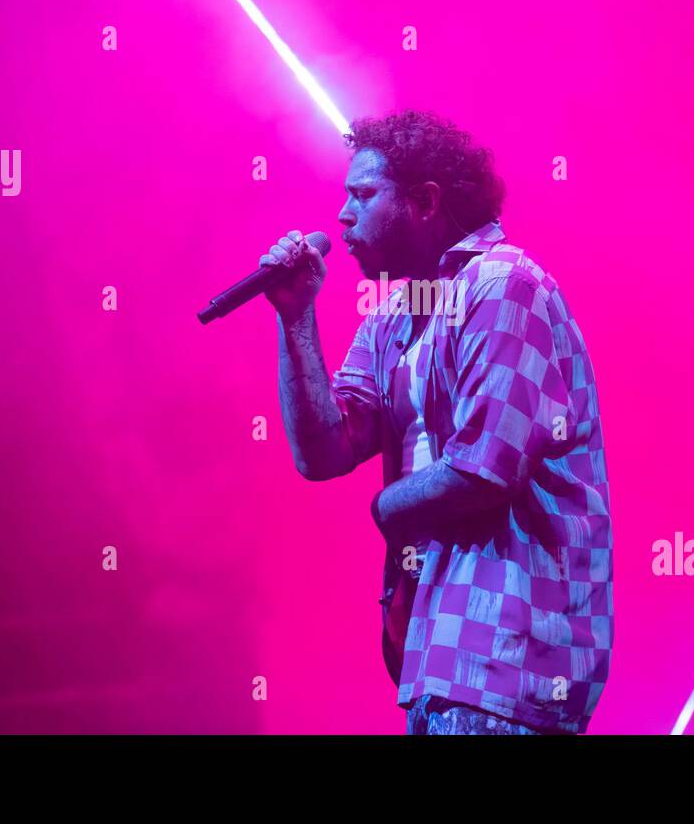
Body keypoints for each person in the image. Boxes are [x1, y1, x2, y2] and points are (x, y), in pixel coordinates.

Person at [260, 108, 612, 735]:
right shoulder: (398, 313)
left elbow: (483, 471)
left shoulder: (504, 284)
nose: (343, 216)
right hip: (437, 657)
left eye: (363, 195)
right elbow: (323, 451)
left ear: (425, 202)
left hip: (508, 655)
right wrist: (296, 317)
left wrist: (383, 511)